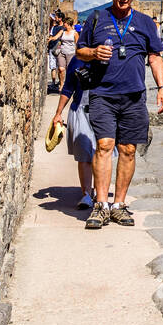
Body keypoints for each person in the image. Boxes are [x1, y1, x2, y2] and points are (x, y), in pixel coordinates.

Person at [74, 0, 163, 229]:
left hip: (134, 96)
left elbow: (155, 56)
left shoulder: (146, 23)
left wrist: (162, 88)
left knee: (128, 150)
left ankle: (120, 204)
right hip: (103, 94)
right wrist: (93, 52)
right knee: (104, 146)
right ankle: (101, 205)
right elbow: (79, 51)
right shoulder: (97, 19)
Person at [49, 57, 99, 210]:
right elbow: (68, 87)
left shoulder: (109, 56)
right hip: (81, 109)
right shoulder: (78, 60)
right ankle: (86, 194)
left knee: (101, 153)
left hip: (104, 111)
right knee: (84, 153)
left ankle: (99, 193)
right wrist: (58, 113)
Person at [53, 13, 76, 89]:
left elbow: (78, 44)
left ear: (68, 24)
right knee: (61, 69)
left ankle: (69, 85)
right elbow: (56, 37)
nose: (63, 24)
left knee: (70, 70)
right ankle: (62, 85)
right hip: (62, 52)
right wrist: (49, 39)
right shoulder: (62, 31)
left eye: (65, 23)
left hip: (71, 53)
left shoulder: (75, 33)